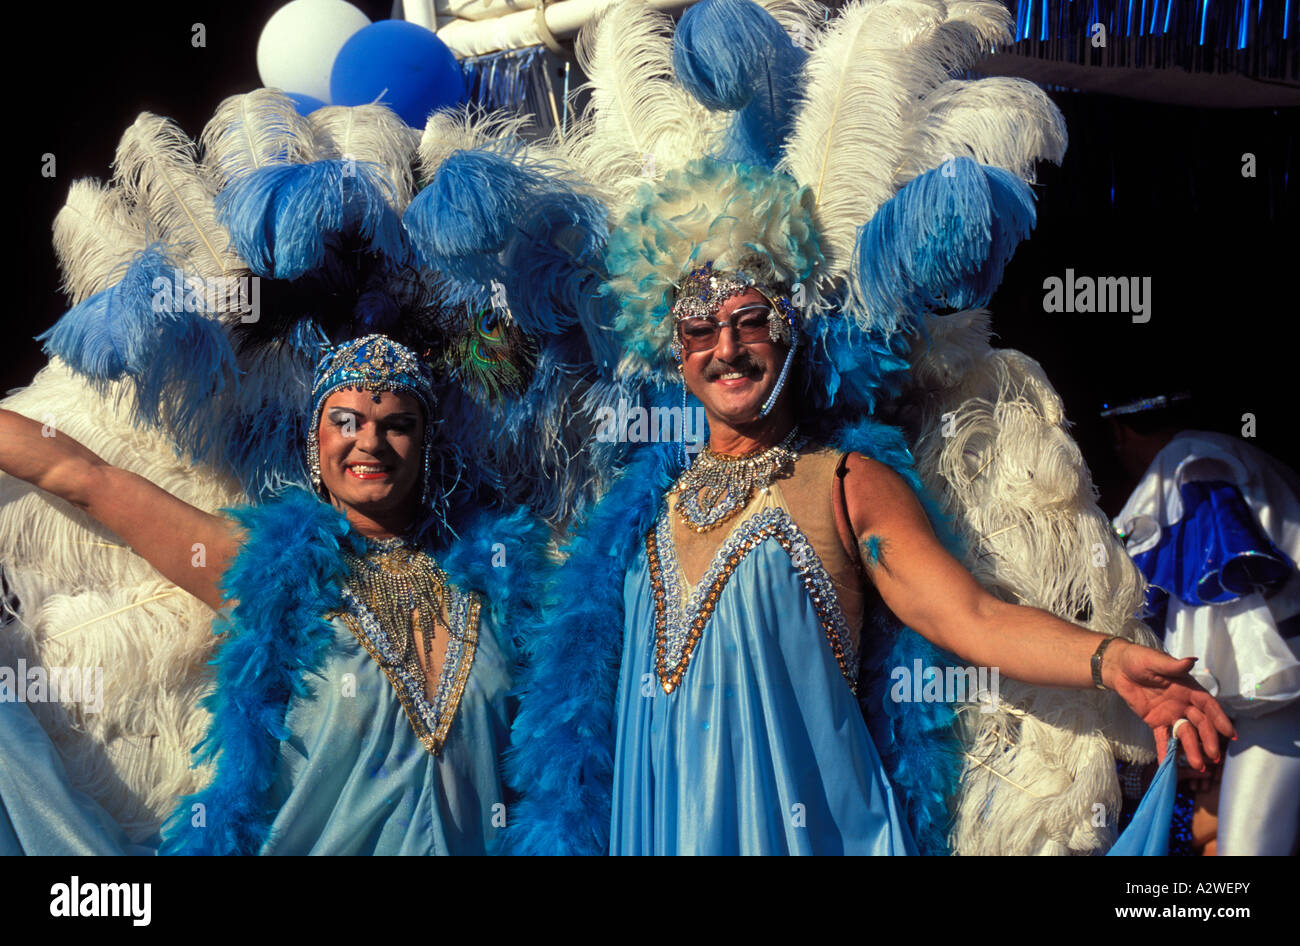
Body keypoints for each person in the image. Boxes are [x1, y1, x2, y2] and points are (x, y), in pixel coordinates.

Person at [503, 0, 1235, 855]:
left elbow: (973, 618)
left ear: (793, 329)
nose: (729, 349)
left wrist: (1109, 664)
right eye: (700, 332)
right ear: (673, 352)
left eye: (752, 321)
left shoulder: (846, 483)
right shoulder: (637, 507)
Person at [0, 333, 547, 855]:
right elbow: (85, 477)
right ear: (317, 441)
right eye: (346, 421)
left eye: (397, 424)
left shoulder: (504, 590)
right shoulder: (267, 570)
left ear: (424, 444)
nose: (371, 442)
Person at [1107, 394, 1300, 855]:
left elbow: (1219, 602)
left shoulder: (1188, 462)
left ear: (1120, 433)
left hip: (1276, 702)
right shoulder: (1251, 460)